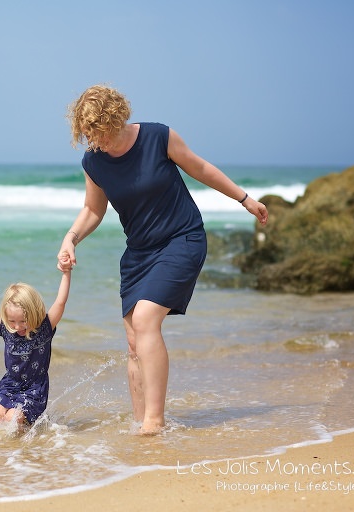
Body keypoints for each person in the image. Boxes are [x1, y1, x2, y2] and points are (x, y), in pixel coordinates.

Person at [58, 84, 268, 435]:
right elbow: (93, 209)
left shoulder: (158, 137)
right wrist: (71, 238)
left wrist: (243, 199)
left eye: (102, 133)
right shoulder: (93, 161)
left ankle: (155, 421)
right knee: (133, 341)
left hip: (181, 239)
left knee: (144, 320)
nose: (98, 143)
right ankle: (141, 422)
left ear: (116, 119)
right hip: (139, 252)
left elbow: (200, 168)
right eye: (90, 136)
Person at [0, 257, 71, 431]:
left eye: (23, 321)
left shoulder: (45, 328)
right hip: (10, 384)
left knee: (13, 417)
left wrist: (66, 272)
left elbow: (60, 302)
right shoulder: (6, 328)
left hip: (34, 389)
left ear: (34, 314)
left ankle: (20, 452)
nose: (17, 326)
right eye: (12, 321)